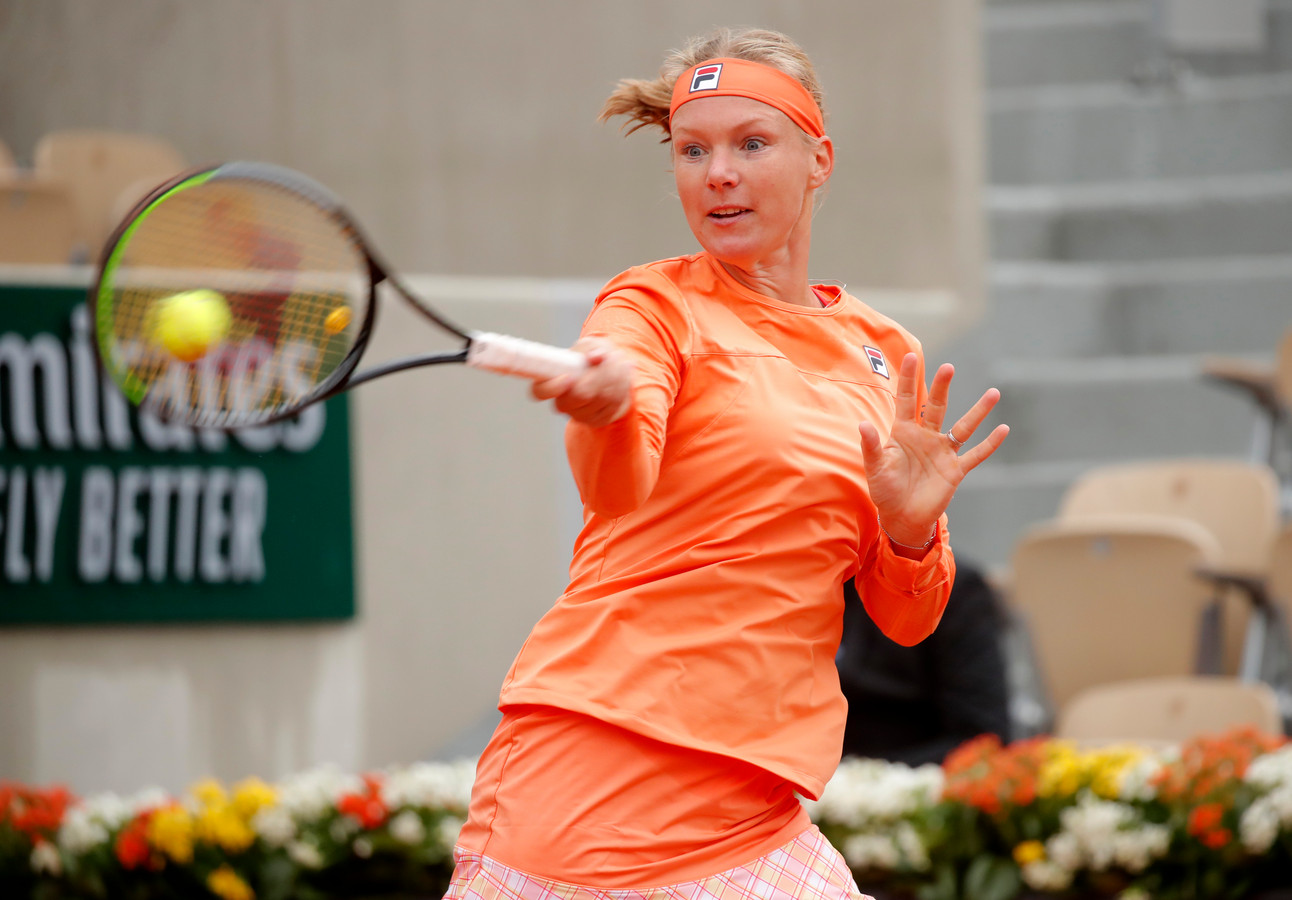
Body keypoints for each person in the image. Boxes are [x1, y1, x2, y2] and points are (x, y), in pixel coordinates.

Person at [443, 26, 1009, 900]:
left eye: (752, 144)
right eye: (692, 150)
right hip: (592, 788)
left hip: (754, 806)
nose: (719, 173)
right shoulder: (649, 306)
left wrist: (906, 529)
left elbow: (905, 620)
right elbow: (615, 485)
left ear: (818, 158)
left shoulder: (879, 349)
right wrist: (606, 412)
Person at [837, 564, 1012, 767]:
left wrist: (860, 779)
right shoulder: (805, 588)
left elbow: (983, 737)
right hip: (810, 781)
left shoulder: (949, 588)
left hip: (920, 780)